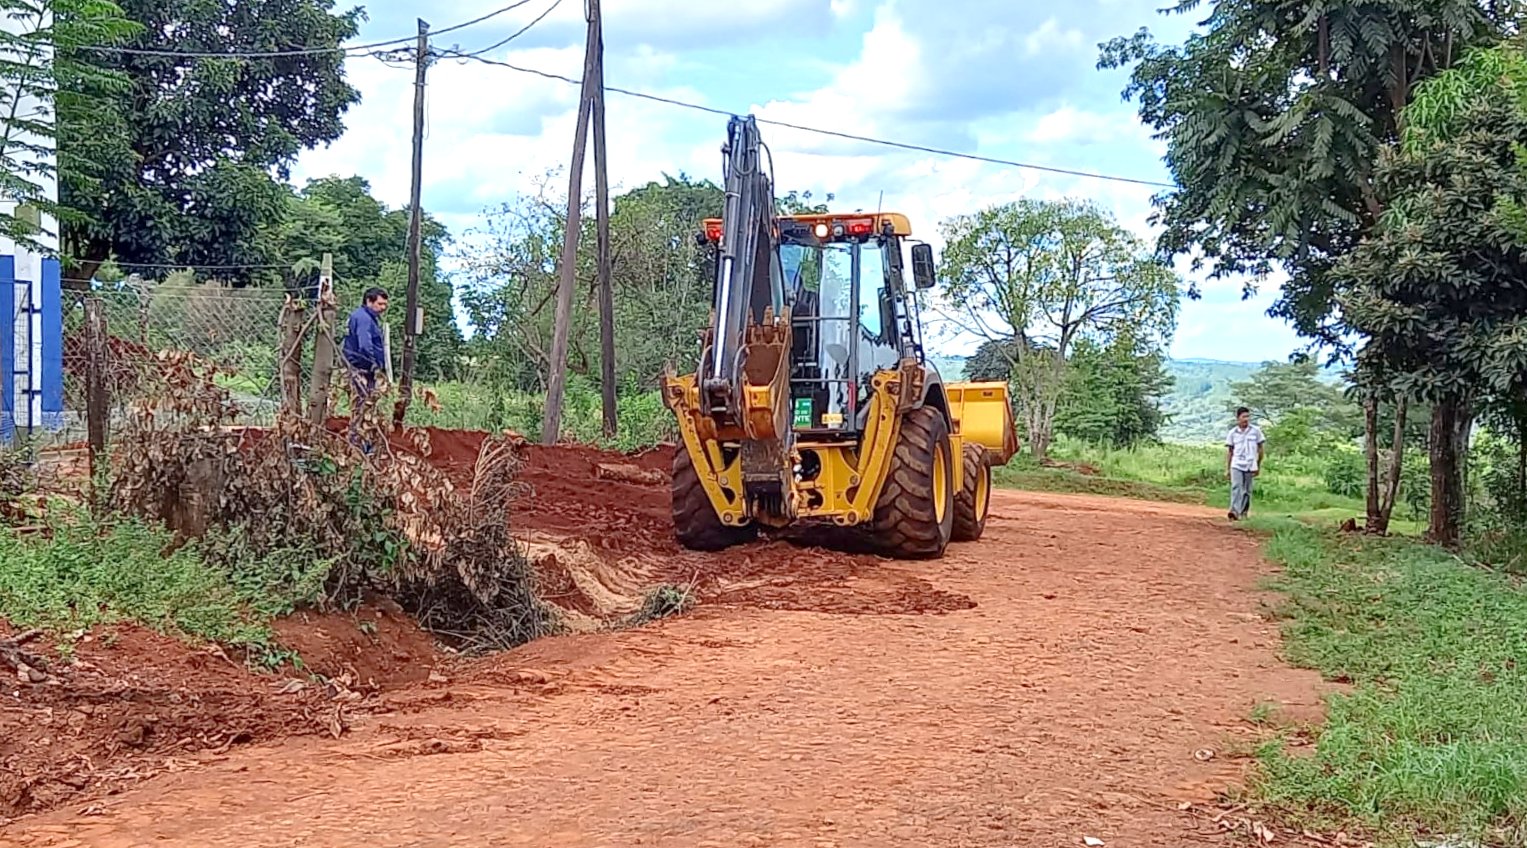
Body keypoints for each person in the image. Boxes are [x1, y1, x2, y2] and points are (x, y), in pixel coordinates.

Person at [342, 287, 389, 450]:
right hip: (362, 369)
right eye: (380, 304)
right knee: (363, 405)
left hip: (359, 367)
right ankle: (358, 444)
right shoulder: (364, 319)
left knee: (362, 405)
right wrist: (374, 366)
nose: (383, 308)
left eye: (385, 305)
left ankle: (361, 441)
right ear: (369, 301)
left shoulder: (362, 316)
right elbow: (365, 345)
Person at [1226, 406, 1266, 521]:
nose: (1246, 419)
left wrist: (1258, 464)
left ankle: (1243, 512)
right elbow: (1230, 451)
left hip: (1250, 464)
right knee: (1236, 486)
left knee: (1247, 490)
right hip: (1236, 463)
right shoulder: (1233, 433)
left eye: (1248, 416)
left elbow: (1260, 448)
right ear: (1238, 418)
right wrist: (1228, 468)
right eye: (1243, 417)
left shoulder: (1256, 431)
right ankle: (1234, 511)